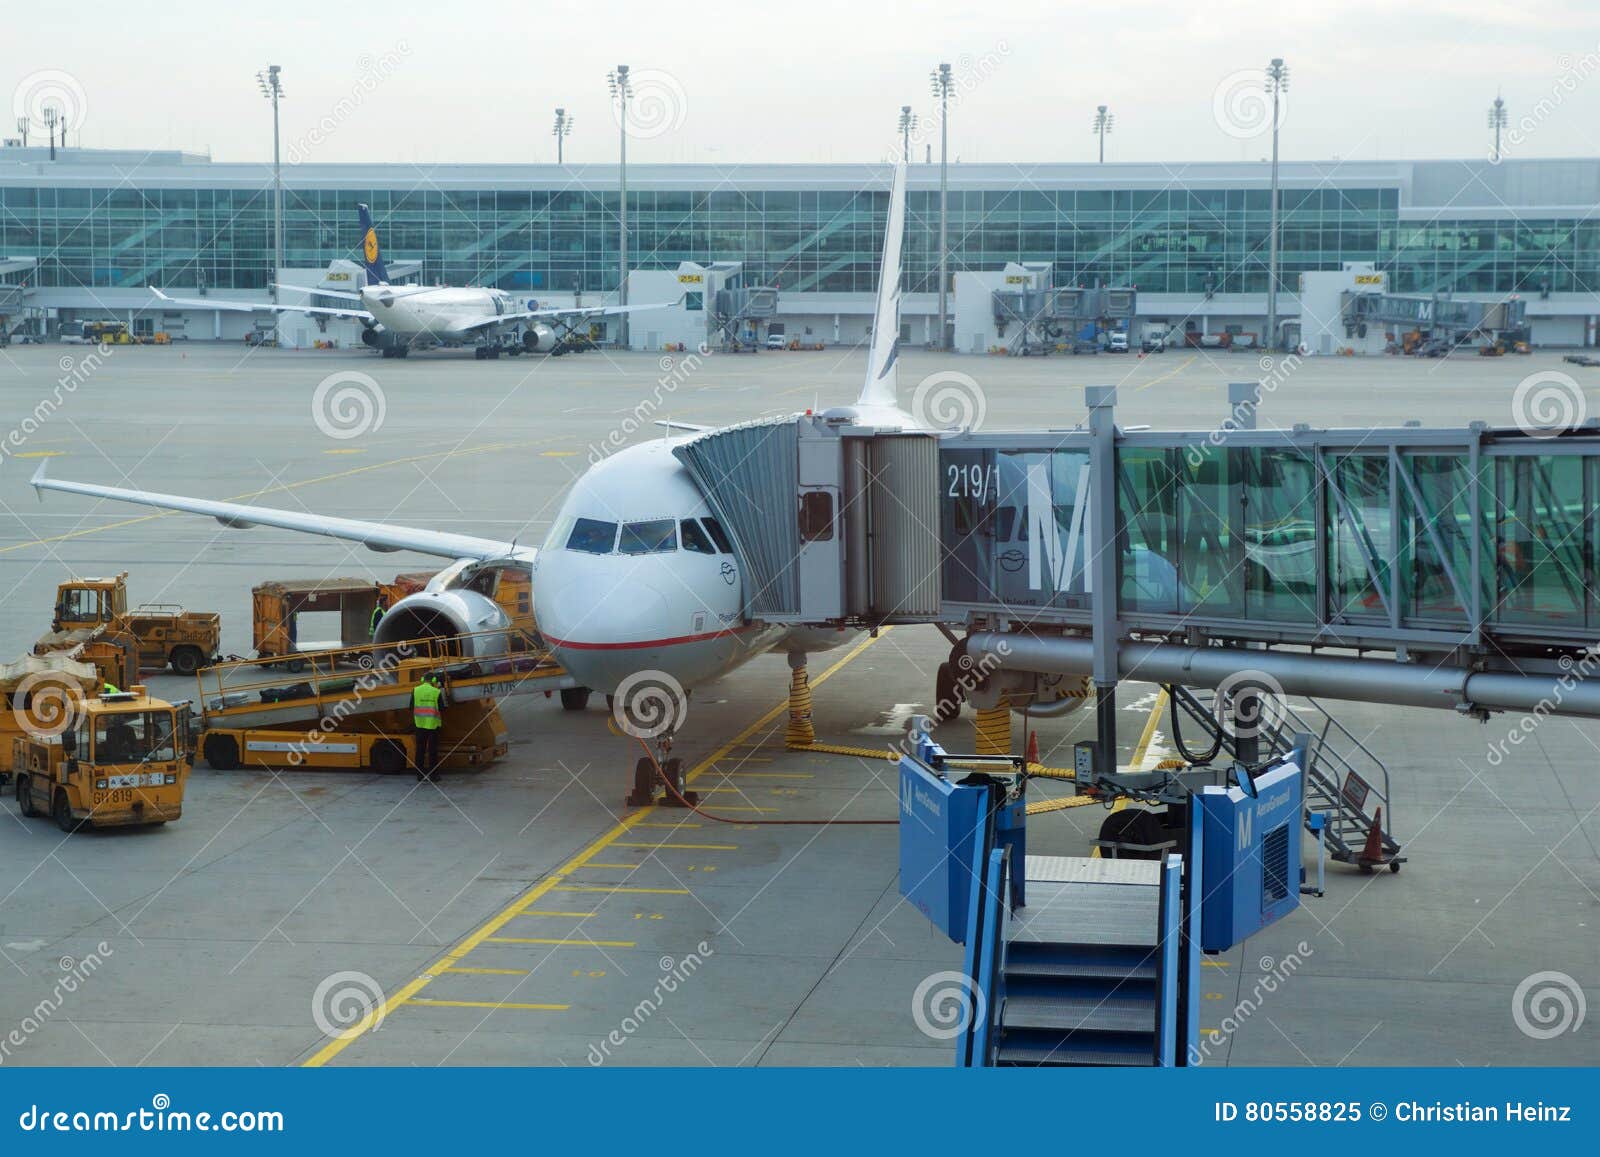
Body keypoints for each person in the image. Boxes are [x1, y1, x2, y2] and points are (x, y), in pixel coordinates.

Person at [411, 672, 445, 782]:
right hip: (433, 725)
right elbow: (442, 708)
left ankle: (420, 775)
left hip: (419, 724)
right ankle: (433, 776)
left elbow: (411, 706)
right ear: (434, 680)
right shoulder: (436, 692)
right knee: (432, 751)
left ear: (422, 679)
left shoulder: (415, 690)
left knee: (420, 750)